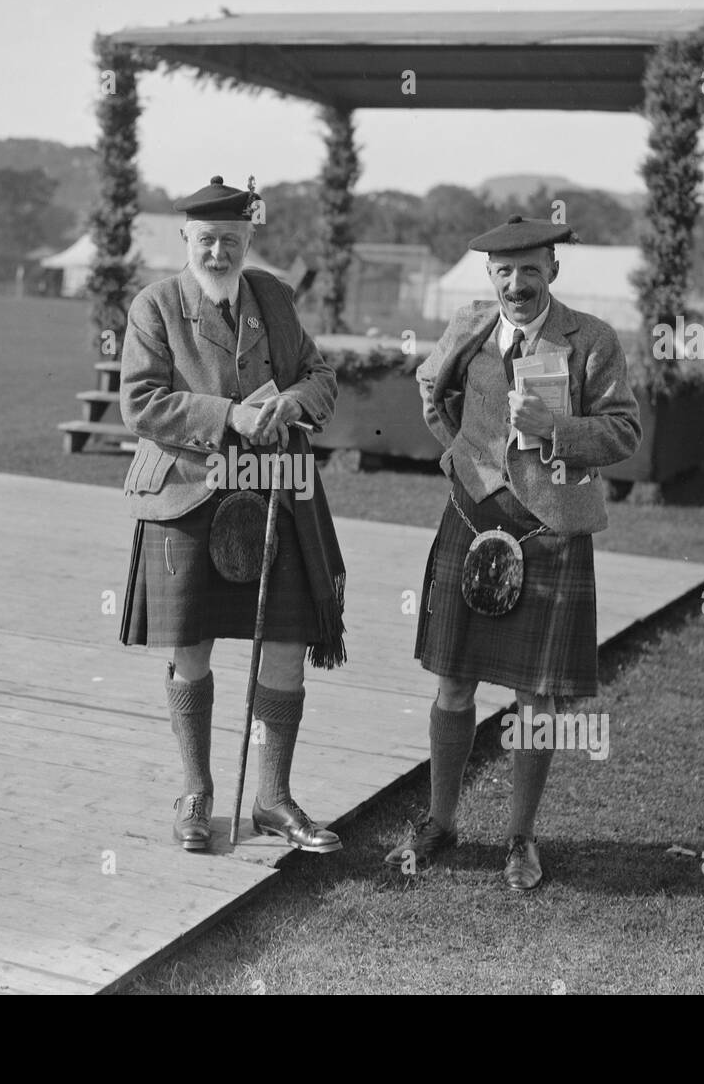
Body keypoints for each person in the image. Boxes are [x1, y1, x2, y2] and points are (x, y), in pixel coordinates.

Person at [387, 215, 641, 890]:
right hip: (470, 520)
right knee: (453, 681)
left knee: (535, 695)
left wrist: (556, 430)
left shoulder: (591, 340)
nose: (517, 284)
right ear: (490, 277)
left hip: (550, 529)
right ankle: (440, 822)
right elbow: (428, 385)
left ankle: (521, 839)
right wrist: (457, 454)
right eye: (504, 271)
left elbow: (624, 432)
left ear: (552, 270)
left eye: (530, 270)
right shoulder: (470, 325)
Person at [118, 176, 348, 854]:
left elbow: (321, 377)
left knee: (285, 648)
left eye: (232, 240)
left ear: (249, 241)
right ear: (185, 239)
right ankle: (197, 794)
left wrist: (294, 404)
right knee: (190, 649)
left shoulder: (273, 297)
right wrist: (230, 416)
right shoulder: (155, 305)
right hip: (186, 491)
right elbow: (141, 403)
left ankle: (273, 801)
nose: (219, 251)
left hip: (274, 489)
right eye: (206, 239)